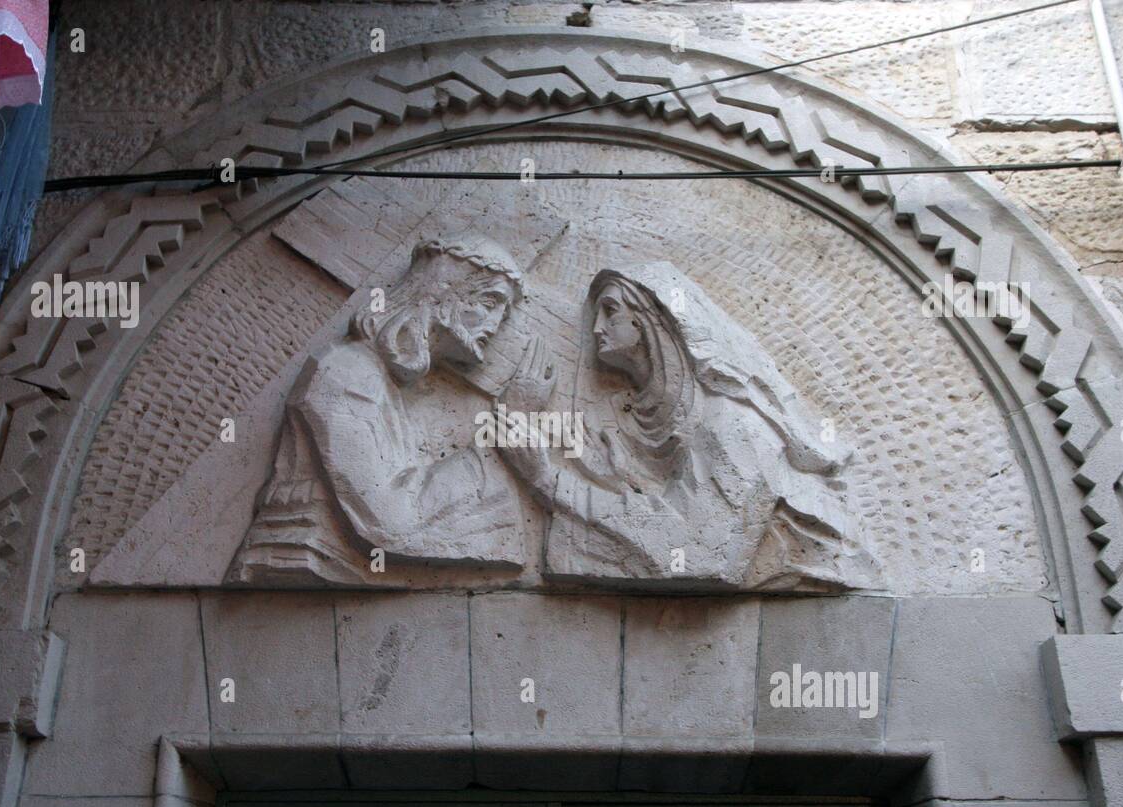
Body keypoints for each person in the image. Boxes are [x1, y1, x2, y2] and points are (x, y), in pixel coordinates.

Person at [498, 262, 882, 591]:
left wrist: (549, 482)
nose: (597, 327)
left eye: (610, 310)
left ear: (654, 321)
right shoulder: (637, 418)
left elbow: (699, 551)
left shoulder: (735, 425)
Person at [231, 234, 526, 584]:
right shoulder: (347, 372)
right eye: (489, 302)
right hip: (310, 561)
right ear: (442, 291)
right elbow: (389, 518)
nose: (494, 325)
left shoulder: (385, 384)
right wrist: (496, 446)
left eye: (503, 315)